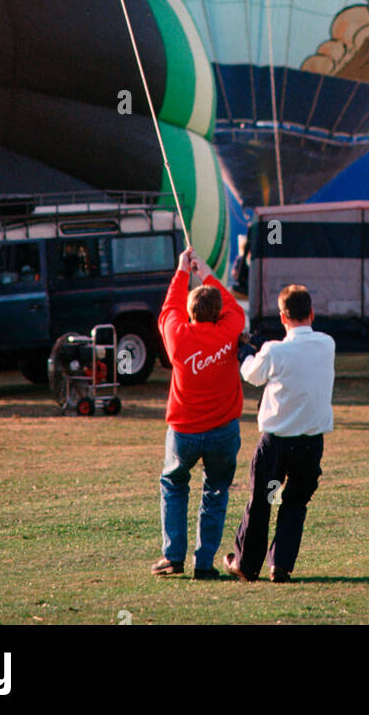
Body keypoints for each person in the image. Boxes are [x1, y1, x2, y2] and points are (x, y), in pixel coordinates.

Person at [224, 284, 335, 583]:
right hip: (311, 443)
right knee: (295, 502)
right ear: (311, 313)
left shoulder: (274, 350)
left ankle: (246, 563)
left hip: (277, 444)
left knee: (262, 500)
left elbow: (252, 375)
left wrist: (247, 352)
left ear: (282, 317)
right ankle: (281, 564)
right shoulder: (327, 344)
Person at [152, 246, 245, 580]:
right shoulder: (231, 327)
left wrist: (181, 271)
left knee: (175, 486)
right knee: (216, 492)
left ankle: (173, 557)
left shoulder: (178, 336)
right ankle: (203, 563)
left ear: (191, 314)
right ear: (218, 312)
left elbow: (168, 310)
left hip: (183, 432)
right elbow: (232, 304)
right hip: (224, 431)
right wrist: (204, 270)